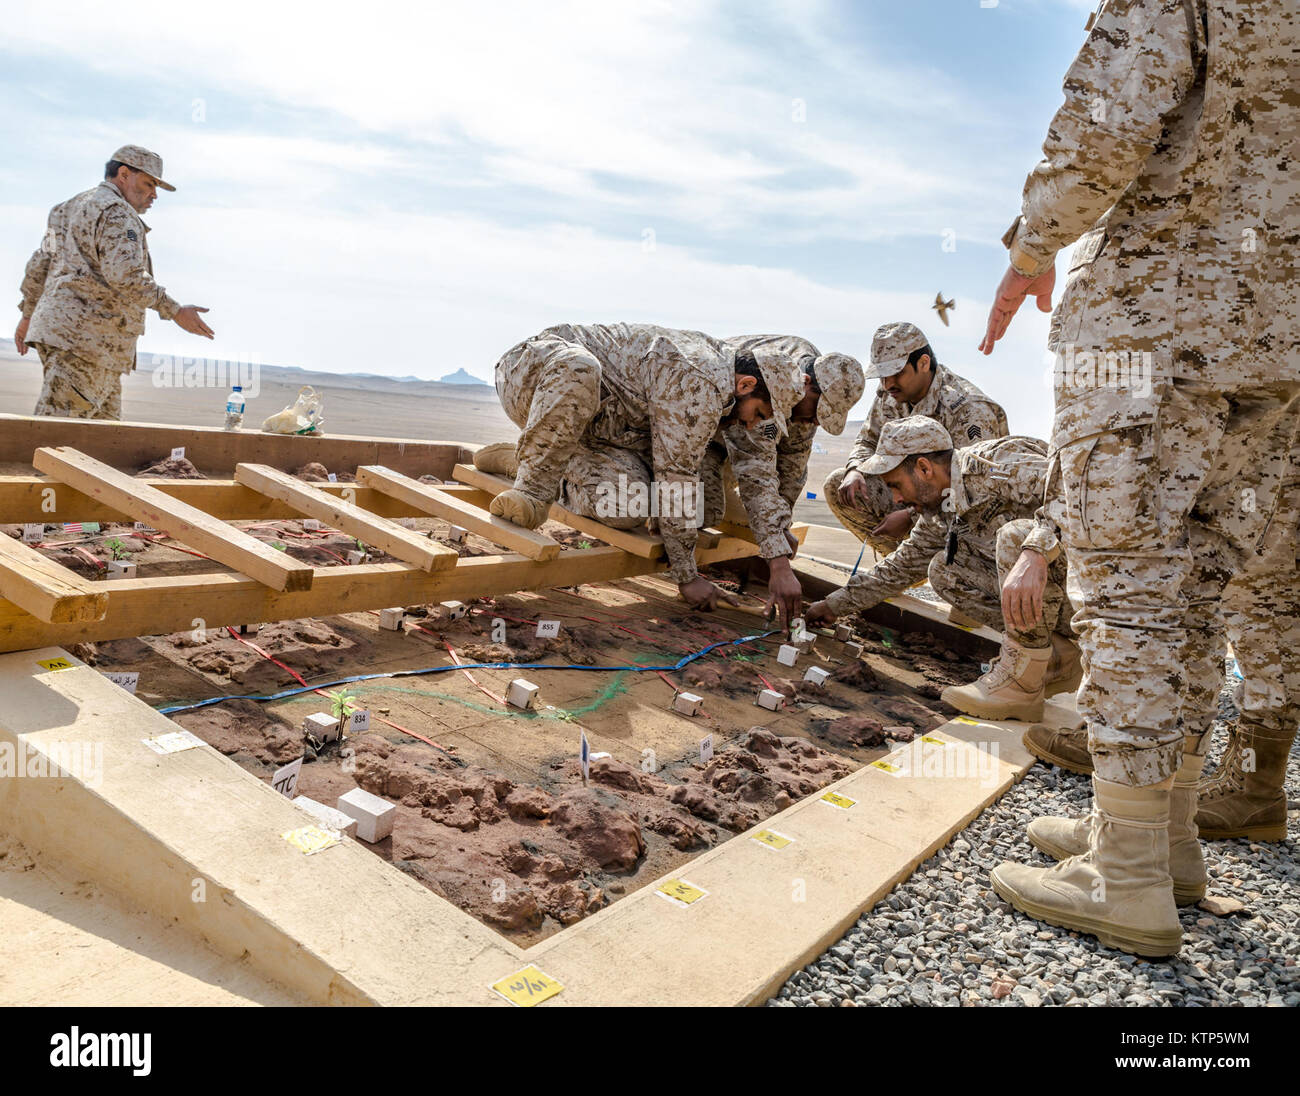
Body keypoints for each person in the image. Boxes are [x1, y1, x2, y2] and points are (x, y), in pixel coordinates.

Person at [978, 0, 1300, 956]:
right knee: (1199, 596)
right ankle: (1169, 843)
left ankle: (1120, 878)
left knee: (1131, 602)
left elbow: (1107, 127)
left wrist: (1032, 246)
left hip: (1157, 334)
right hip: (1277, 356)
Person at [477, 322, 801, 611]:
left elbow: (685, 474)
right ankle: (533, 480)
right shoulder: (700, 378)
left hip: (601, 427)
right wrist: (687, 577)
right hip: (538, 378)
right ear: (745, 385)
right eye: (759, 413)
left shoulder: (724, 392)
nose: (751, 425)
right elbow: (677, 480)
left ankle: (527, 460)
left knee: (626, 505)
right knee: (580, 367)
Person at [804, 417, 1080, 721]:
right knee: (943, 572)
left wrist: (1036, 550)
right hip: (1064, 607)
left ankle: (1020, 687)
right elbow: (901, 566)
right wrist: (833, 605)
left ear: (924, 468)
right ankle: (1055, 658)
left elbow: (1077, 491)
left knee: (1015, 537)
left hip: (1094, 599)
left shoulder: (997, 463)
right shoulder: (942, 507)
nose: (896, 499)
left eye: (896, 485)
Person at [20, 145, 214, 420]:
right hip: (87, 342)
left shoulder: (65, 209)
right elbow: (126, 275)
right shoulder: (118, 213)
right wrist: (174, 310)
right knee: (59, 436)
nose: (154, 194)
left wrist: (28, 315)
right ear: (124, 174)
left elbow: (39, 265)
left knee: (104, 440)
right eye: (148, 184)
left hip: (79, 341)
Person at [706, 335, 865, 624]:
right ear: (805, 385)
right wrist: (778, 565)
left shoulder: (814, 389)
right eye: (818, 412)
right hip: (707, 436)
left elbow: (791, 471)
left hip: (742, 447)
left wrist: (780, 532)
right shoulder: (773, 385)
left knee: (756, 520)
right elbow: (756, 475)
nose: (815, 422)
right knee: (703, 509)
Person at [823, 322, 1007, 556]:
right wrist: (855, 470)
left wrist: (911, 517)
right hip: (915, 495)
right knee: (840, 484)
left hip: (967, 511)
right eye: (882, 375)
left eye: (897, 373)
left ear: (923, 363)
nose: (888, 384)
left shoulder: (967, 409)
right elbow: (867, 441)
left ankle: (942, 566)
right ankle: (902, 563)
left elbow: (975, 488)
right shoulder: (889, 396)